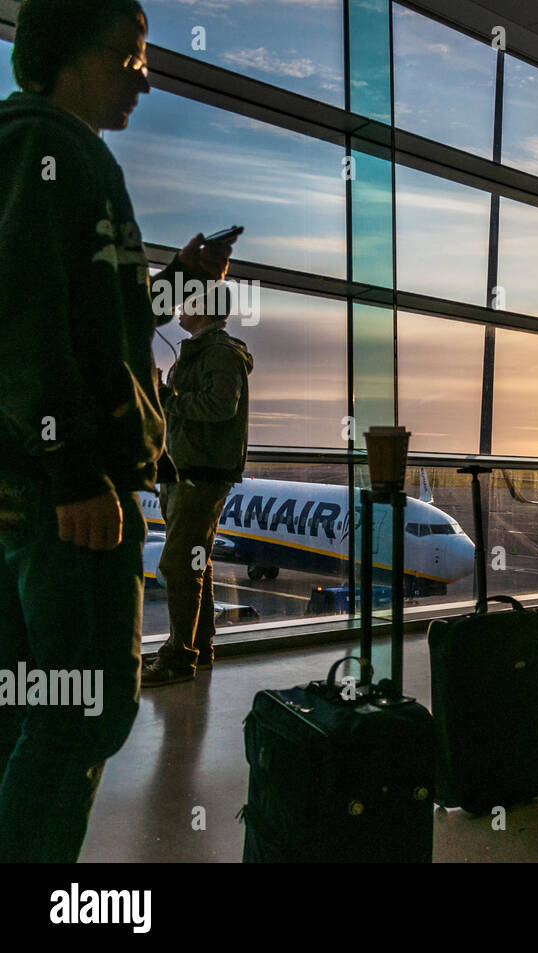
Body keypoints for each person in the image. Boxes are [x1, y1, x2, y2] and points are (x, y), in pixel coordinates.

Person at [0, 0, 234, 861]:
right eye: (129, 58)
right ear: (66, 53)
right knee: (84, 713)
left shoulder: (52, 153)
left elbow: (105, 318)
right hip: (74, 497)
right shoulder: (50, 147)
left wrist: (177, 277)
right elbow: (22, 319)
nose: (145, 76)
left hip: (43, 488)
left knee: (31, 708)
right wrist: (73, 475)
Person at [141, 294, 253, 686]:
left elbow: (221, 406)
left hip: (199, 474)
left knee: (177, 565)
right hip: (190, 471)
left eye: (186, 304)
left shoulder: (219, 354)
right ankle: (197, 648)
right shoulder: (206, 352)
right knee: (193, 561)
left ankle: (178, 658)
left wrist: (168, 396)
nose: (179, 310)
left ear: (202, 311)